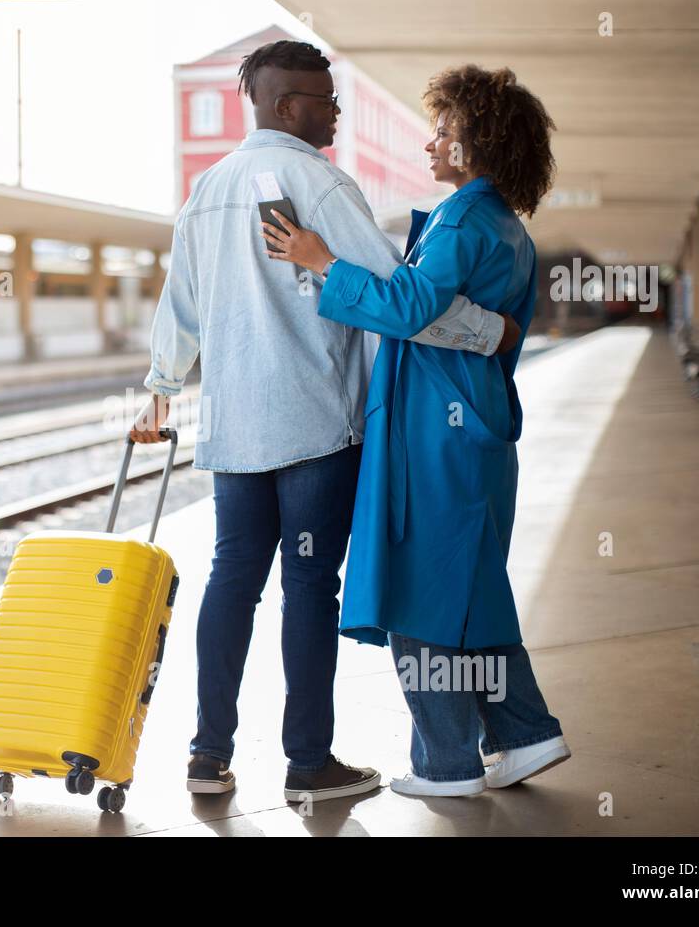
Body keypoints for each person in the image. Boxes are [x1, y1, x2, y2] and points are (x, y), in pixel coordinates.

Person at [129, 41, 519, 804]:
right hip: (315, 427)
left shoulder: (206, 191)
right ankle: (309, 762)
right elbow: (404, 298)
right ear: (285, 106)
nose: (335, 109)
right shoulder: (321, 183)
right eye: (323, 97)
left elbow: (179, 308)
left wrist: (160, 388)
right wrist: (492, 332)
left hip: (236, 430)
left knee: (233, 580)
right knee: (309, 587)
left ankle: (207, 755)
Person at [262, 64, 570, 797]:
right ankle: (526, 733)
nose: (431, 141)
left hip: (438, 431)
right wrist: (481, 329)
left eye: (444, 130)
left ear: (479, 141)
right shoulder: (507, 228)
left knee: (420, 588)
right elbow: (489, 329)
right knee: (469, 586)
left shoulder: (463, 220)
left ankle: (447, 762)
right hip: (475, 427)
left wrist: (320, 259)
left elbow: (406, 307)